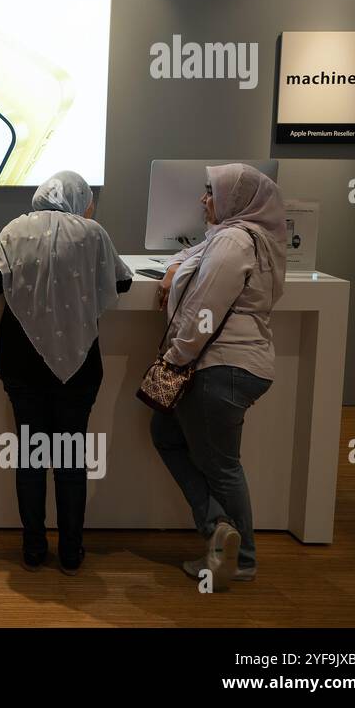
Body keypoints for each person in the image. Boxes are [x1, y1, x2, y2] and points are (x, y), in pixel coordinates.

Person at [0, 171, 132, 574]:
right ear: (78, 197)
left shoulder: (14, 229)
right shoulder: (93, 233)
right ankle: (71, 551)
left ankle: (33, 549)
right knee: (71, 458)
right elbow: (122, 283)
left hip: (21, 361)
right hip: (79, 363)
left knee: (30, 456)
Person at [150, 163, 286, 589]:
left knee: (223, 467)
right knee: (166, 432)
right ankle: (219, 532)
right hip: (240, 367)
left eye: (210, 192)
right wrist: (174, 270)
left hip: (220, 369)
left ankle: (238, 556)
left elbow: (201, 314)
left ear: (235, 199)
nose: (203, 199)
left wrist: (174, 359)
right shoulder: (246, 236)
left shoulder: (232, 241)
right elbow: (191, 256)